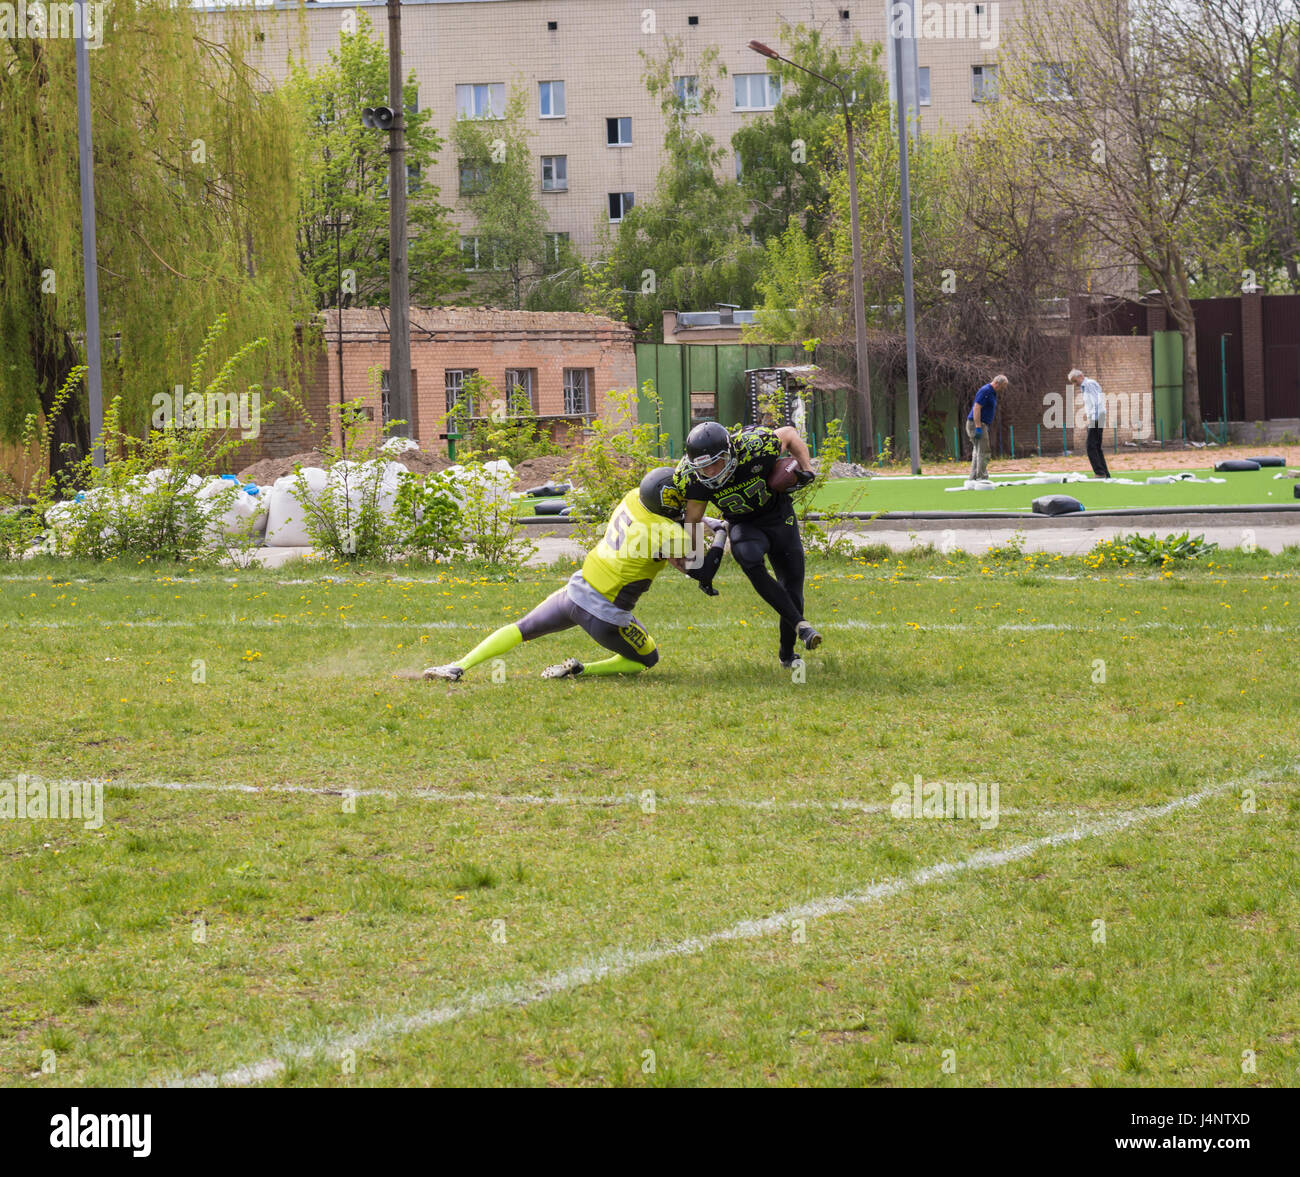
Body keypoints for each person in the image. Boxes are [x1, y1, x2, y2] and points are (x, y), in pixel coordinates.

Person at [422, 468, 727, 682]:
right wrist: (721, 532)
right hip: (605, 614)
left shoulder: (634, 497)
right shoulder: (665, 533)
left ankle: (457, 665)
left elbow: (673, 518)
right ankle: (583, 671)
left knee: (521, 628)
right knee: (647, 659)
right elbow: (701, 571)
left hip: (576, 590)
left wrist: (704, 520)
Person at [674, 419, 820, 670]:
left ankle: (787, 654)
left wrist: (808, 469)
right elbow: (693, 520)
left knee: (793, 588)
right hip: (744, 524)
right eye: (703, 467)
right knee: (748, 557)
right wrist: (697, 567)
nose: (710, 472)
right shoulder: (691, 476)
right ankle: (801, 626)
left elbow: (788, 434)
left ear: (730, 452)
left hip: (779, 517)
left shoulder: (754, 446)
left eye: (716, 463)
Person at [1069, 368, 1111, 479]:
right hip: (1097, 417)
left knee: (1090, 446)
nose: (1075, 384)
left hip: (1096, 417)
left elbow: (1096, 402)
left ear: (1080, 376)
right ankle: (1105, 473)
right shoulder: (1086, 386)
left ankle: (1099, 473)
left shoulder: (1088, 384)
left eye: (1075, 381)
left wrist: (1093, 419)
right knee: (1096, 446)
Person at [966, 374, 1007, 481]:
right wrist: (978, 426)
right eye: (1003, 386)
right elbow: (976, 408)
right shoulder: (986, 391)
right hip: (977, 424)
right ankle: (982, 478)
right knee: (984, 452)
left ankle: (973, 477)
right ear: (997, 383)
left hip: (981, 424)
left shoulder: (992, 392)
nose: (1003, 389)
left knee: (978, 451)